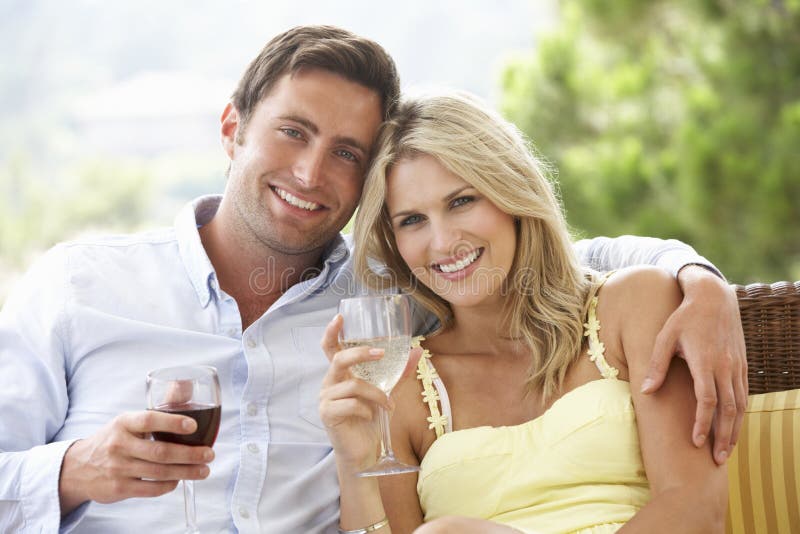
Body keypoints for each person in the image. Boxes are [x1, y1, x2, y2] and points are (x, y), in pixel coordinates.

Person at [0, 25, 741, 534]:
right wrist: (74, 471)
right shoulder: (81, 288)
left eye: (347, 153)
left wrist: (697, 279)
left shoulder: (377, 310)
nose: (311, 173)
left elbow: (558, 259)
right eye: (293, 132)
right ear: (232, 129)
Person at [319, 91, 729, 533]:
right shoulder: (404, 385)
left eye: (462, 201)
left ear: (510, 193)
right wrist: (354, 459)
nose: (442, 242)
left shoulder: (633, 305)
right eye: (412, 220)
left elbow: (695, 505)